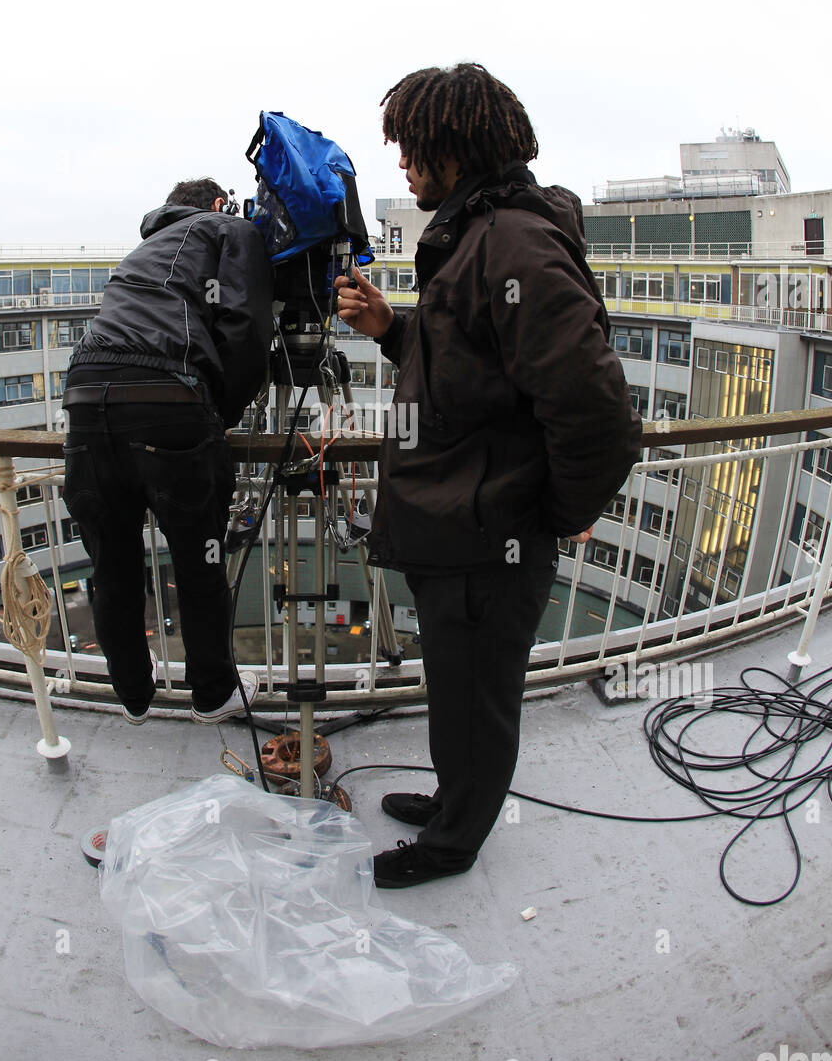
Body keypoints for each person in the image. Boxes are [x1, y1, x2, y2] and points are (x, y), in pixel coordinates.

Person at [335, 63, 643, 888]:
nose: (401, 166)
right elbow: (470, 377)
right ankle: (454, 801)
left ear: (455, 148)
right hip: (465, 531)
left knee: (478, 699)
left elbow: (599, 413)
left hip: (490, 536)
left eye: (412, 149)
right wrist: (391, 329)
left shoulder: (511, 241)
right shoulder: (478, 237)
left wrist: (545, 511)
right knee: (459, 692)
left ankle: (454, 843)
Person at [62, 177, 273, 725]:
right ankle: (212, 694)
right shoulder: (229, 228)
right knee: (199, 563)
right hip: (167, 401)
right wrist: (212, 415)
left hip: (84, 401)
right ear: (219, 204)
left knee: (112, 565)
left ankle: (133, 694)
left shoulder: (142, 250)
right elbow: (246, 327)